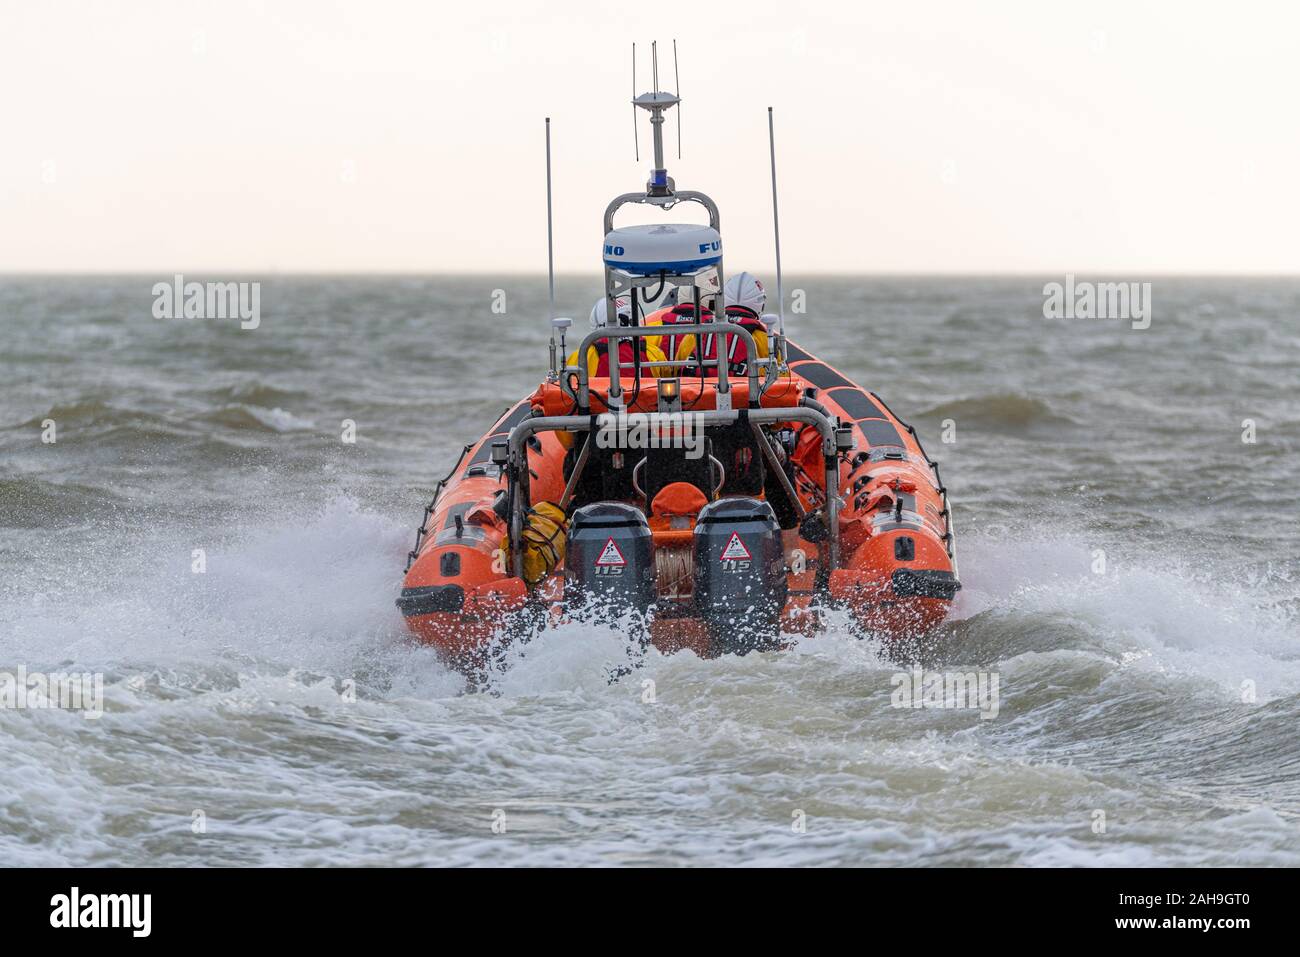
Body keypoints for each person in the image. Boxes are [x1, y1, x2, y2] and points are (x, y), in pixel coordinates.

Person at [671, 272, 770, 377]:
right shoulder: (763, 339)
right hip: (744, 391)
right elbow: (781, 378)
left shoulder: (696, 333)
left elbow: (677, 369)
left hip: (699, 391)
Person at [566, 296, 667, 377]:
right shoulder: (654, 354)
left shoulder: (582, 357)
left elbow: (566, 386)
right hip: (645, 402)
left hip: (596, 402)